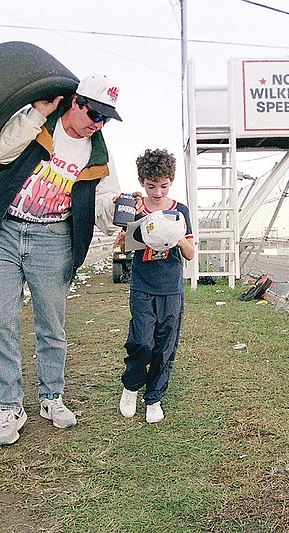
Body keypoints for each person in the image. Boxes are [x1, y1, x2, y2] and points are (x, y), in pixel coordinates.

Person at [0, 73, 123, 446]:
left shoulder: (98, 155)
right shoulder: (39, 122)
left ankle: (51, 398)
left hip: (53, 238)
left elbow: (107, 208)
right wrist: (35, 114)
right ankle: (10, 407)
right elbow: (0, 153)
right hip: (5, 232)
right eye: (95, 114)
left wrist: (125, 209)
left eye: (106, 118)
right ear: (76, 103)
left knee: (51, 325)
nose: (99, 123)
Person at [113, 149, 194, 424]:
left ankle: (155, 397)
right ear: (141, 181)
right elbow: (125, 246)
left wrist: (176, 236)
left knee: (164, 345)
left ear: (171, 181)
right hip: (143, 285)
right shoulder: (136, 207)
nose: (157, 192)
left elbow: (191, 253)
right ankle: (131, 386)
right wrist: (131, 228)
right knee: (142, 341)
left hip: (171, 287)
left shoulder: (180, 211)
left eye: (163, 185)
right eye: (151, 186)